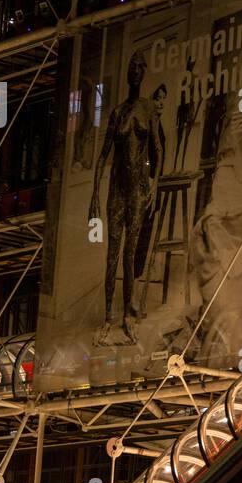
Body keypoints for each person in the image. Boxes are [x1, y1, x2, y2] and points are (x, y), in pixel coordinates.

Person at [89, 52, 163, 344]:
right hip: (117, 190)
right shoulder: (118, 113)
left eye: (138, 67)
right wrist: (94, 195)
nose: (134, 72)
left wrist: (154, 185)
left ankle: (127, 318)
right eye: (130, 67)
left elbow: (157, 151)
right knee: (112, 257)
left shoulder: (148, 111)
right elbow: (103, 155)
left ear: (144, 72)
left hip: (138, 191)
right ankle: (108, 318)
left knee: (130, 256)